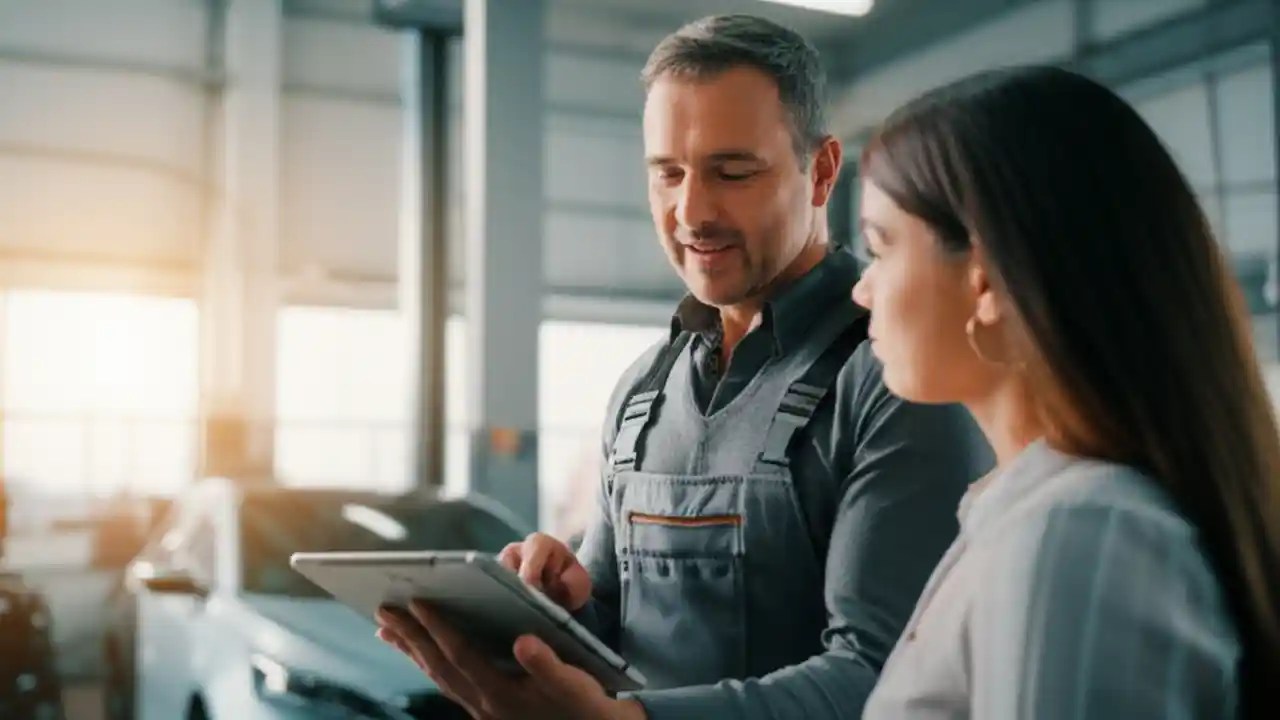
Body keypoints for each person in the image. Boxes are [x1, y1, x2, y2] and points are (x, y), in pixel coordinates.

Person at [375, 14, 991, 720]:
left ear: (820, 172)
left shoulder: (895, 377)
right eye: (667, 174)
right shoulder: (643, 391)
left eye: (733, 173)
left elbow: (885, 678)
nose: (691, 211)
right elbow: (612, 626)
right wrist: (548, 609)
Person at [853, 65, 1280, 718]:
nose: (862, 288)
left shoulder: (1077, 532)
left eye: (881, 248)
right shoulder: (1034, 516)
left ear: (986, 278)